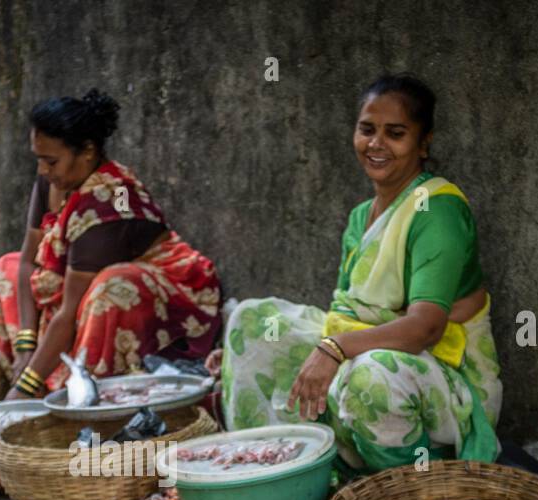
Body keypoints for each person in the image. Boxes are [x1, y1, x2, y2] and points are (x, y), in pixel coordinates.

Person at [214, 74, 501, 472]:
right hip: (371, 352)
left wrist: (335, 349)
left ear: (424, 142)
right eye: (367, 130)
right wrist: (241, 357)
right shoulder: (360, 218)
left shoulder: (435, 210)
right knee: (253, 323)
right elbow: (347, 317)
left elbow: (425, 329)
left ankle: (410, 479)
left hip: (443, 378)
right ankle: (293, 472)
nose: (376, 144)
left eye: (395, 133)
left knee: (371, 377)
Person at [0, 89, 221, 399]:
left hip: (161, 291)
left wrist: (21, 390)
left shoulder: (107, 200)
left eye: (51, 161)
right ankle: (40, 378)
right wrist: (26, 345)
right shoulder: (51, 179)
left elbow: (69, 313)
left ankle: (73, 390)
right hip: (73, 289)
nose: (43, 170)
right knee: (6, 268)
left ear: (87, 151)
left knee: (111, 290)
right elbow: (29, 260)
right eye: (39, 159)